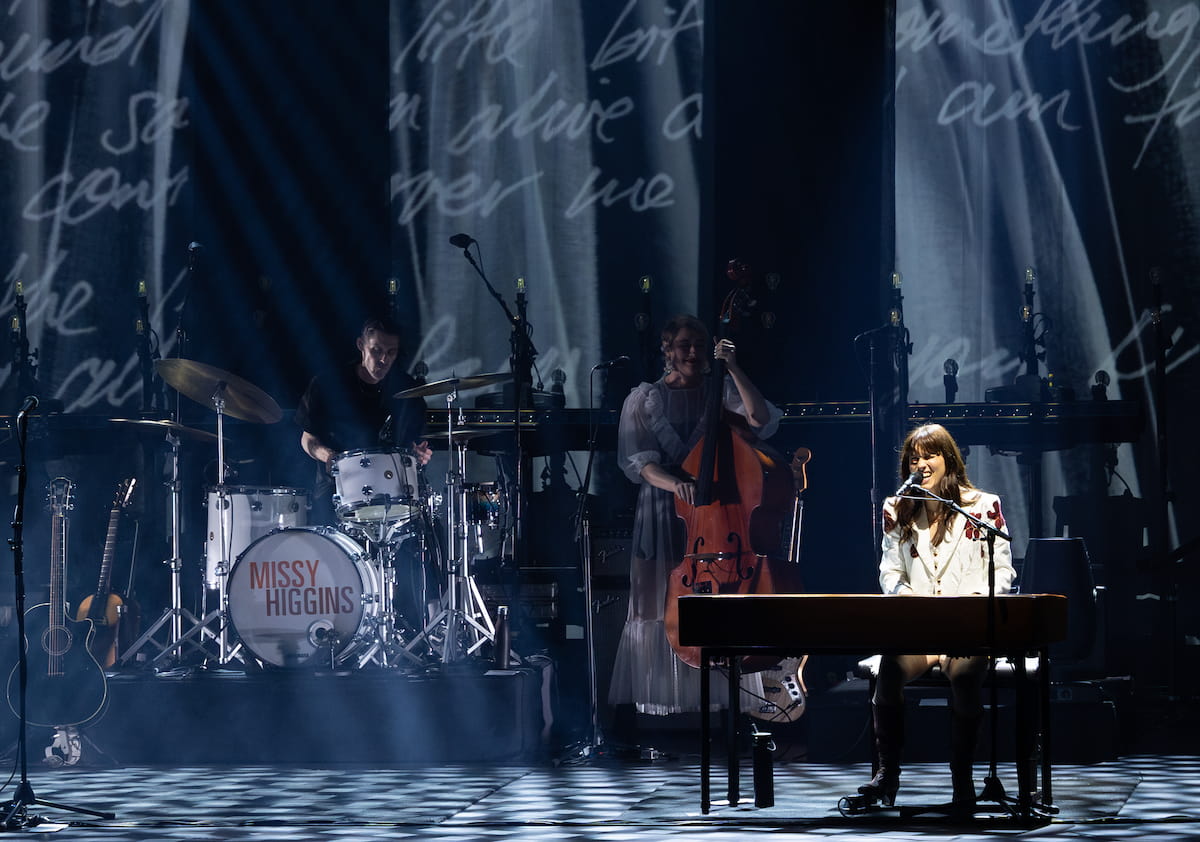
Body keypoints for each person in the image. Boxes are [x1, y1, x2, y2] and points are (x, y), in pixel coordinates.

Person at [609, 314, 783, 716]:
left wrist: (733, 367)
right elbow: (639, 463)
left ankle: (717, 701)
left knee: (713, 599)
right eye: (684, 345)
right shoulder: (645, 398)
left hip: (715, 517)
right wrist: (677, 485)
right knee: (658, 600)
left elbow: (759, 419)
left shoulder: (719, 391)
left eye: (700, 345)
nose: (692, 352)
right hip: (662, 507)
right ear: (667, 350)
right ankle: (665, 704)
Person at [858, 423, 1014, 812]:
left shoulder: (983, 505)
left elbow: (1005, 570)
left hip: (968, 627)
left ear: (949, 459)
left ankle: (961, 777)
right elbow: (889, 572)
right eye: (914, 457)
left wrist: (978, 601)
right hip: (921, 628)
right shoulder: (897, 508)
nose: (922, 463)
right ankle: (887, 775)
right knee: (890, 671)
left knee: (964, 678)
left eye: (930, 455)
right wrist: (907, 598)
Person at [296, 315, 433, 525]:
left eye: (391, 352)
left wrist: (419, 455)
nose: (383, 359)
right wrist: (329, 456)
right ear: (361, 345)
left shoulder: (407, 390)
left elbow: (414, 446)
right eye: (376, 350)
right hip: (339, 490)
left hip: (394, 492)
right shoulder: (328, 384)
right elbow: (307, 439)